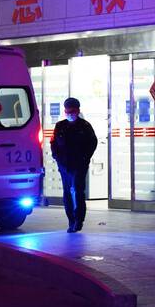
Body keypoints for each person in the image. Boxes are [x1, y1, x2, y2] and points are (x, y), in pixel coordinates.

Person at [50, 97, 98, 232]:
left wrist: (85, 158)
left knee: (77, 191)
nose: (70, 113)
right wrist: (57, 158)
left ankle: (78, 220)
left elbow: (92, 143)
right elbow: (53, 143)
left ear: (78, 111)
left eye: (73, 111)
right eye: (67, 111)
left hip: (79, 165)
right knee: (66, 192)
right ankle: (71, 220)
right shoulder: (60, 126)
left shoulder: (85, 126)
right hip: (64, 165)